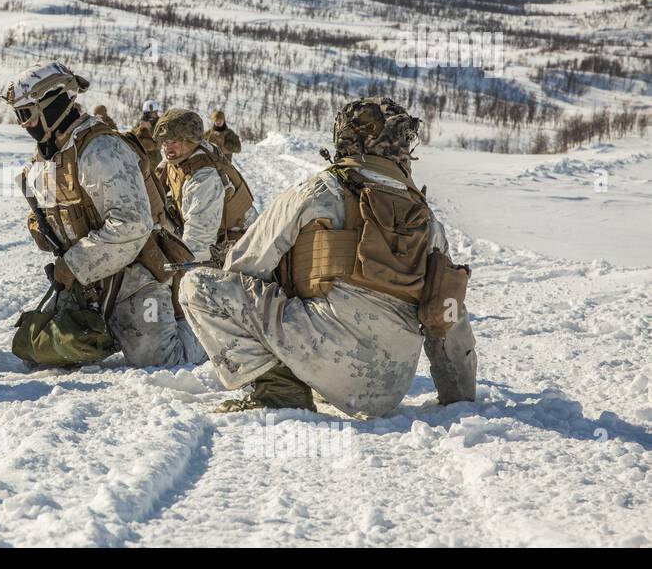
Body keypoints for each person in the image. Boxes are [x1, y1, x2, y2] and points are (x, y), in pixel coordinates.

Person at [179, 96, 478, 417]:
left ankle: (276, 387)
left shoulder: (319, 191)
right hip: (387, 390)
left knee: (198, 285)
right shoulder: (426, 219)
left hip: (319, 362)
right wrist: (458, 398)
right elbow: (445, 313)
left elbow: (242, 268)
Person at [4, 61, 203, 367]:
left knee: (159, 359)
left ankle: (207, 328)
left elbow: (132, 224)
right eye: (20, 116)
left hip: (135, 278)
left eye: (26, 114)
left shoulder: (101, 150)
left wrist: (73, 264)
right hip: (86, 285)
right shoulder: (45, 159)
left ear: (53, 105)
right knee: (42, 350)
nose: (24, 125)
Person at [153, 108, 257, 262]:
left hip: (239, 251)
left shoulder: (205, 178)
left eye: (173, 142)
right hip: (212, 238)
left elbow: (198, 245)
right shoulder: (179, 158)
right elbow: (156, 184)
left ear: (190, 140)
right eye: (164, 142)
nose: (167, 148)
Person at [129, 100, 163, 166]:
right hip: (141, 157)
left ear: (156, 112)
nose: (148, 115)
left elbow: (158, 144)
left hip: (154, 160)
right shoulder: (142, 122)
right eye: (146, 113)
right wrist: (141, 128)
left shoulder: (160, 123)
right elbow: (132, 136)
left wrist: (149, 129)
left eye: (151, 113)